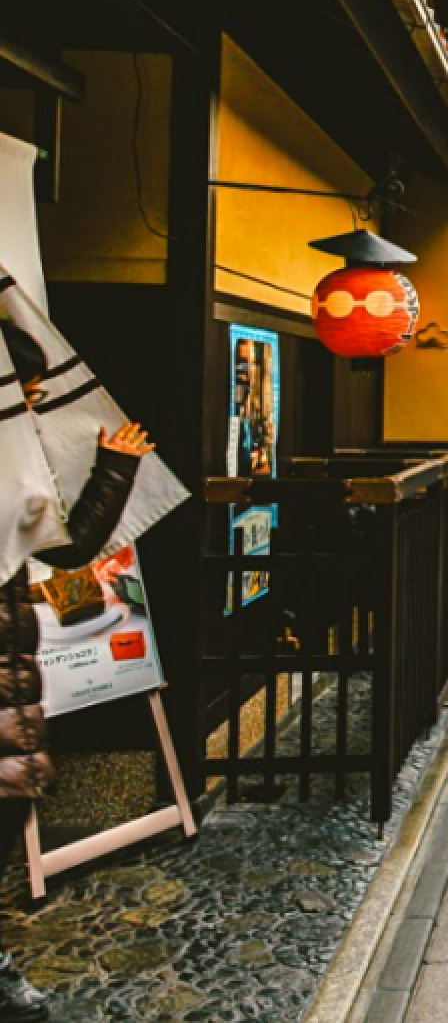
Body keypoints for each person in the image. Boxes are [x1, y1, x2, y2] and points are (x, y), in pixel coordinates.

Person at [3, 321, 151, 1023]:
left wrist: (113, 469)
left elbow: (67, 548)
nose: (33, 406)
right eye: (26, 393)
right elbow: (67, 546)